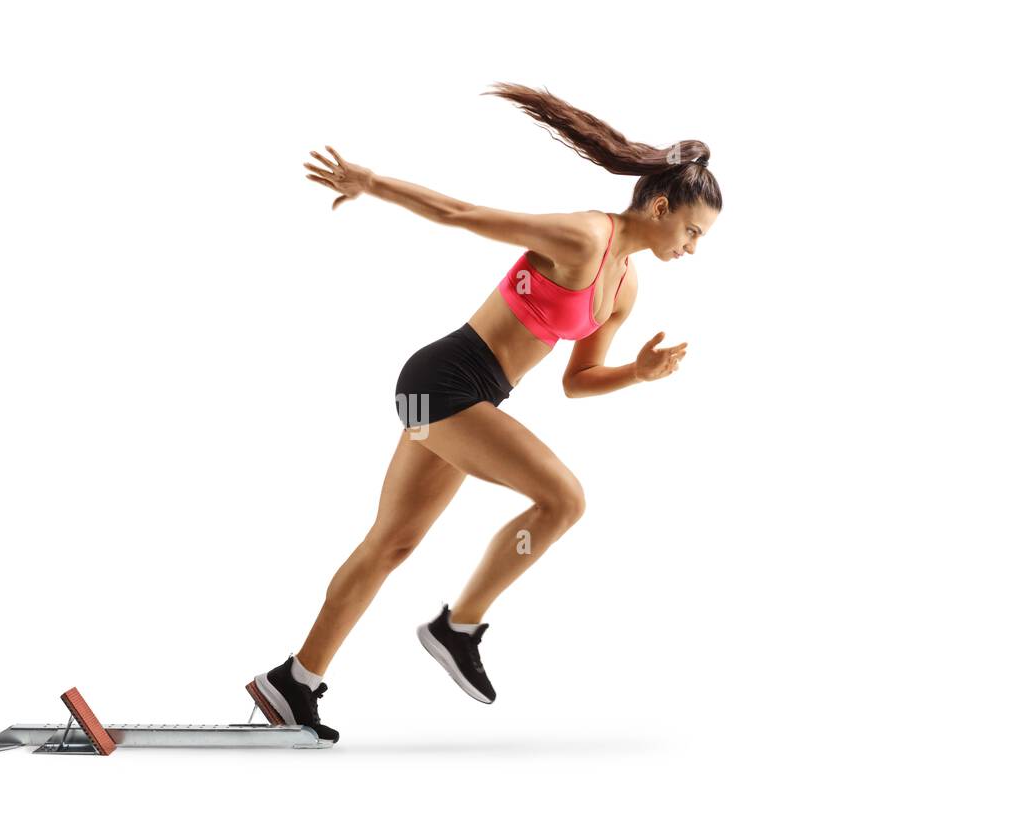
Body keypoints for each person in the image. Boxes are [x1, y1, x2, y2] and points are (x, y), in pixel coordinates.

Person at [245, 82, 722, 743]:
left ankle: (294, 681)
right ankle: (458, 625)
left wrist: (636, 374)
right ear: (661, 205)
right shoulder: (586, 237)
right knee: (563, 501)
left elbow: (578, 381)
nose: (693, 247)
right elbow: (461, 213)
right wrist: (370, 182)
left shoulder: (624, 286)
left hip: (465, 396)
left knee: (391, 544)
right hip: (442, 381)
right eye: (691, 231)